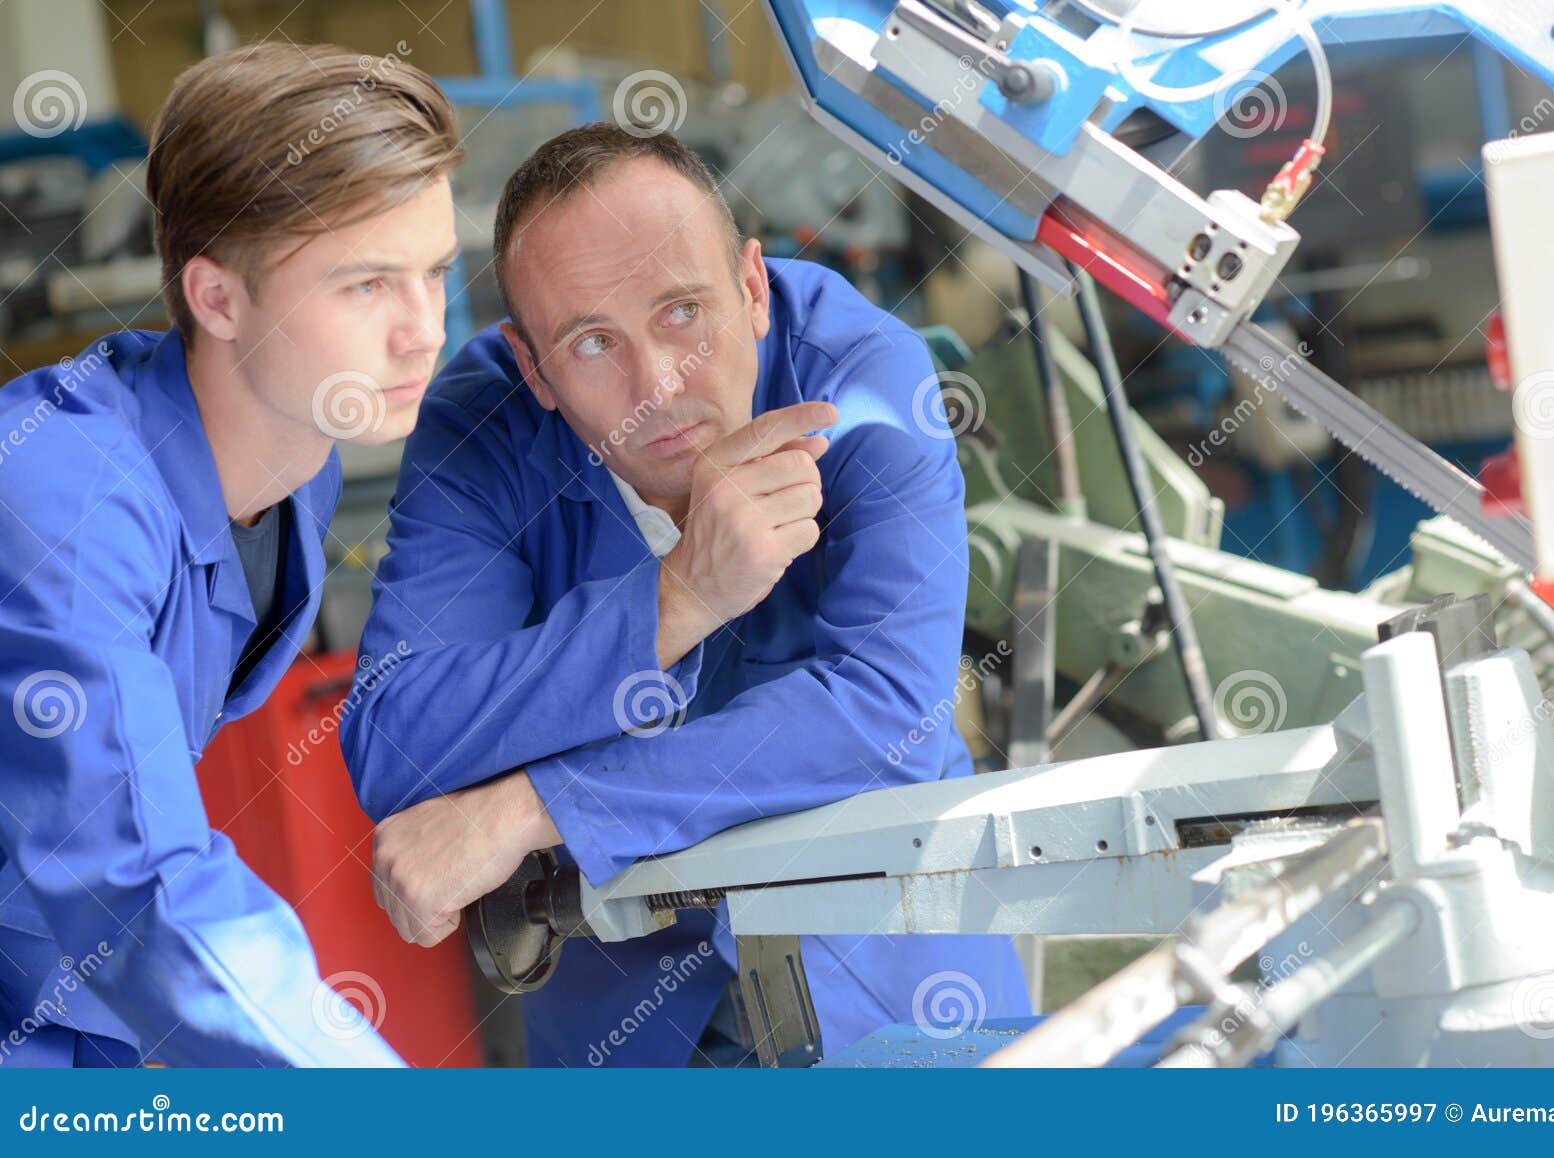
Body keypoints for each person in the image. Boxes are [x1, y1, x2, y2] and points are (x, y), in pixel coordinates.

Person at [341, 122, 1029, 1065]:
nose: (655, 387)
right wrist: (677, 601)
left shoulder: (863, 379)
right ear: (533, 367)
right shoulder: (485, 428)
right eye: (591, 343)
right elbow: (396, 742)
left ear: (752, 287)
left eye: (681, 312)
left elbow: (884, 716)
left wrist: (534, 806)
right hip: (622, 1023)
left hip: (888, 987)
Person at [0, 41, 461, 1067]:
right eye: (364, 286)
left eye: (435, 272)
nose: (421, 330)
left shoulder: (301, 470)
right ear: (216, 298)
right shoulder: (63, 493)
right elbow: (134, 875)